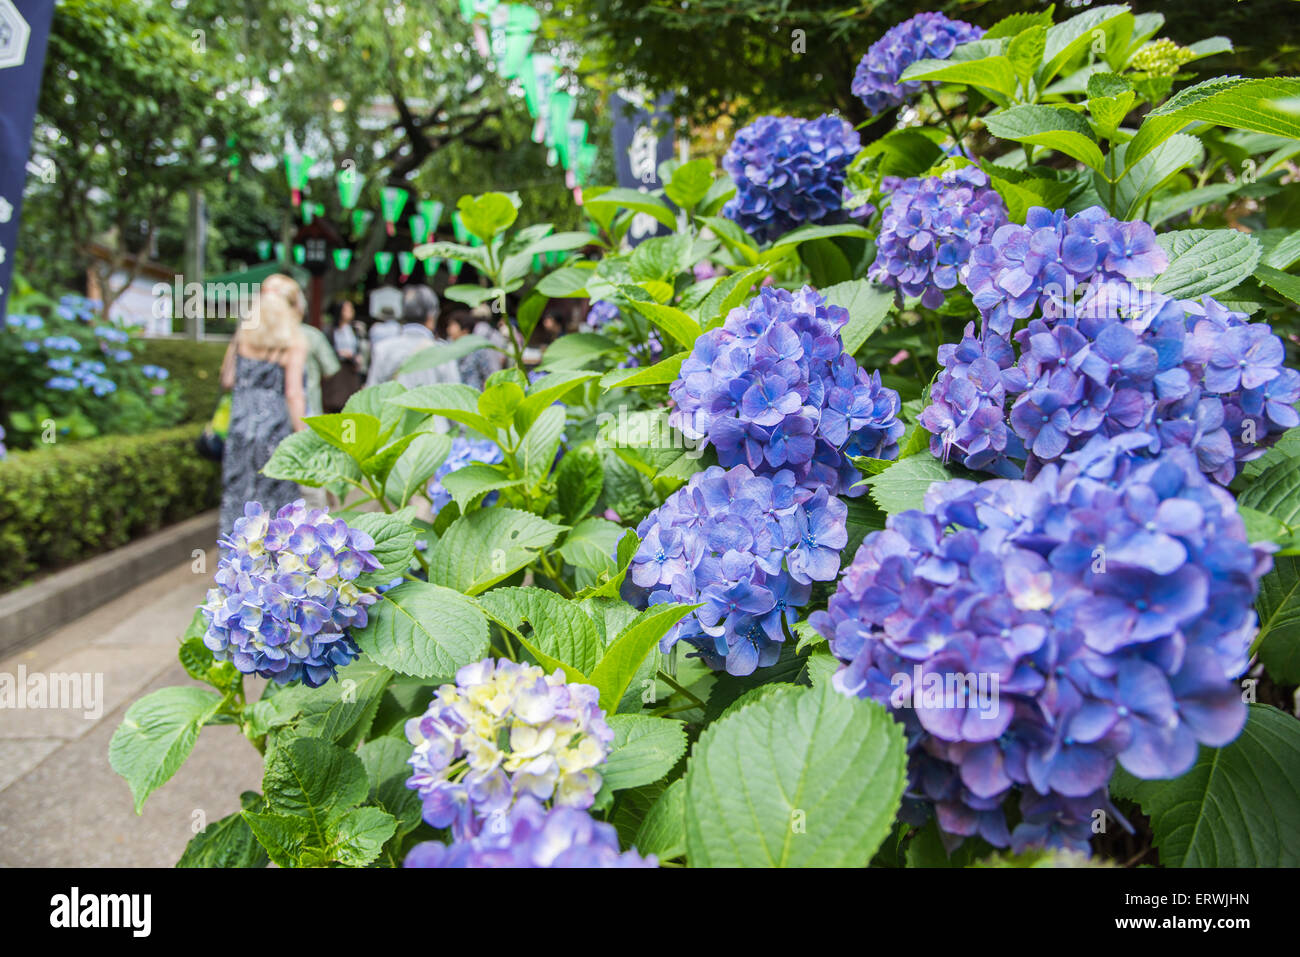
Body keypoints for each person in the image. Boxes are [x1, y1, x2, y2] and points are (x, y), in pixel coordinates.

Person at [217, 273, 308, 537]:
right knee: (275, 498)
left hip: (240, 425)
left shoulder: (243, 335)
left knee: (238, 495)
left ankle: (236, 563)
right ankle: (274, 566)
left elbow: (227, 379)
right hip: (275, 429)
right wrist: (303, 438)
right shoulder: (294, 340)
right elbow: (293, 394)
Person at [367, 284, 461, 389]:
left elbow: (371, 393)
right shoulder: (444, 353)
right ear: (431, 317)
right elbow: (453, 394)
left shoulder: (382, 349)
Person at [444, 308, 500, 390]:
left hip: (473, 395)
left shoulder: (477, 349)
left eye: (452, 325)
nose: (448, 329)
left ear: (465, 330)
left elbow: (487, 375)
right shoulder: (448, 347)